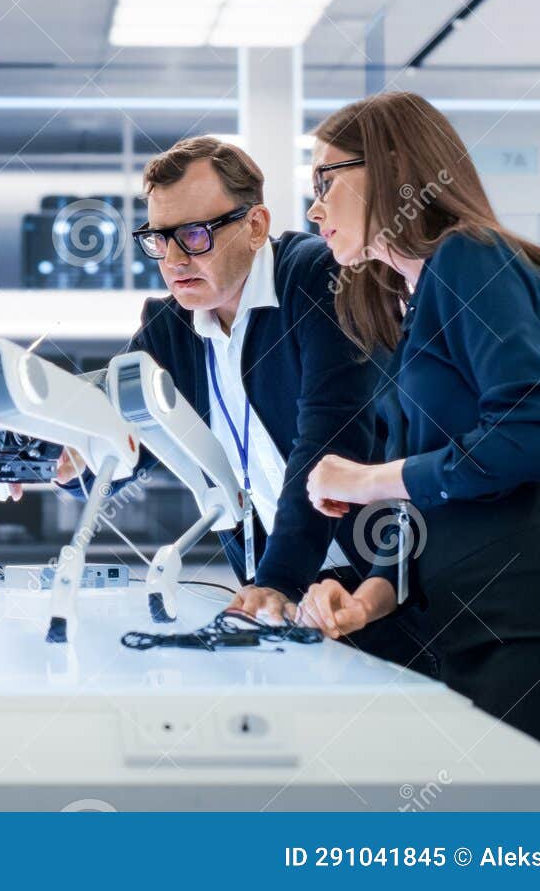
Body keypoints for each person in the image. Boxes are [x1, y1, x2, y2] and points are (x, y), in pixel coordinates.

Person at [300, 90, 540, 810]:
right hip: (480, 622)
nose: (315, 208)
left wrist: (366, 479)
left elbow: (521, 442)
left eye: (326, 179)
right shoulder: (418, 300)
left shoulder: (469, 258)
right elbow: (427, 498)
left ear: (393, 168)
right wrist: (366, 601)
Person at [59, 136, 430, 670]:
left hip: (386, 573)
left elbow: (329, 438)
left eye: (194, 234)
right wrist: (59, 455)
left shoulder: (317, 277)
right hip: (286, 600)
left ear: (255, 226)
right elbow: (119, 443)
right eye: (159, 239)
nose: (175, 259)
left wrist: (279, 579)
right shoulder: (170, 329)